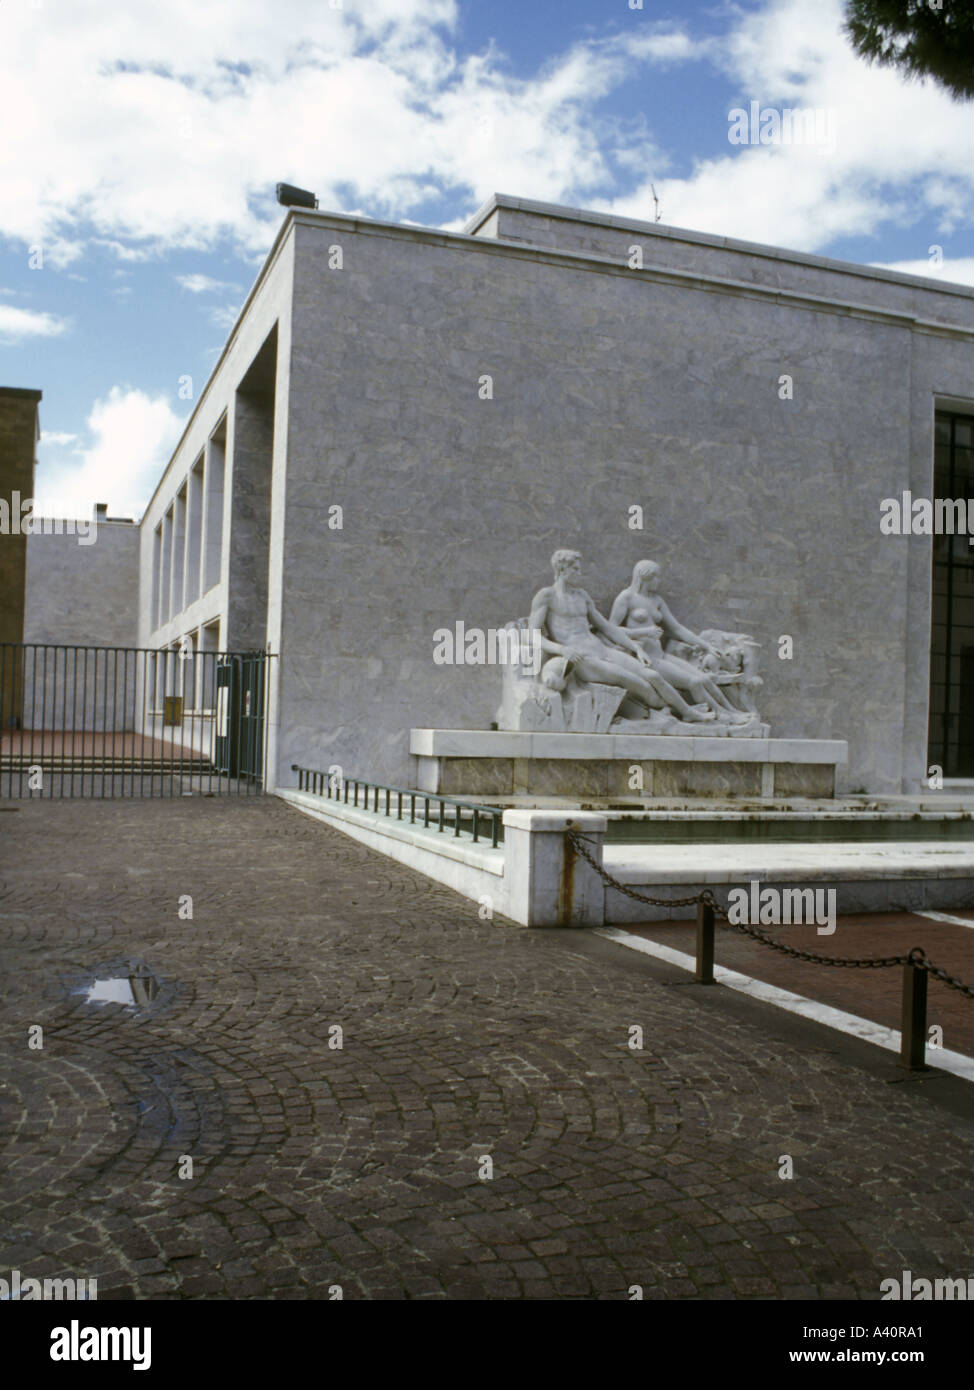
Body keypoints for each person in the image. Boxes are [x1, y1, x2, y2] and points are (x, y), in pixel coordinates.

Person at [528, 550, 714, 722]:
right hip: (582, 657)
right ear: (562, 569)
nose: (580, 573)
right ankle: (678, 711)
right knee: (636, 682)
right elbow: (531, 636)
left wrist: (636, 648)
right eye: (575, 569)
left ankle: (687, 712)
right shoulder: (547, 596)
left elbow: (608, 628)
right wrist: (562, 649)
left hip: (601, 649)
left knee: (653, 675)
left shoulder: (582, 596)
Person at [609, 559, 751, 722]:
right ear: (645, 577)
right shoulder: (626, 597)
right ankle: (721, 715)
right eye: (657, 577)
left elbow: (676, 629)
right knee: (694, 682)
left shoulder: (656, 600)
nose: (659, 581)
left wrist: (706, 646)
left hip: (660, 654)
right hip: (646, 659)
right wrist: (643, 631)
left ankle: (732, 711)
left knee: (704, 678)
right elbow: (611, 630)